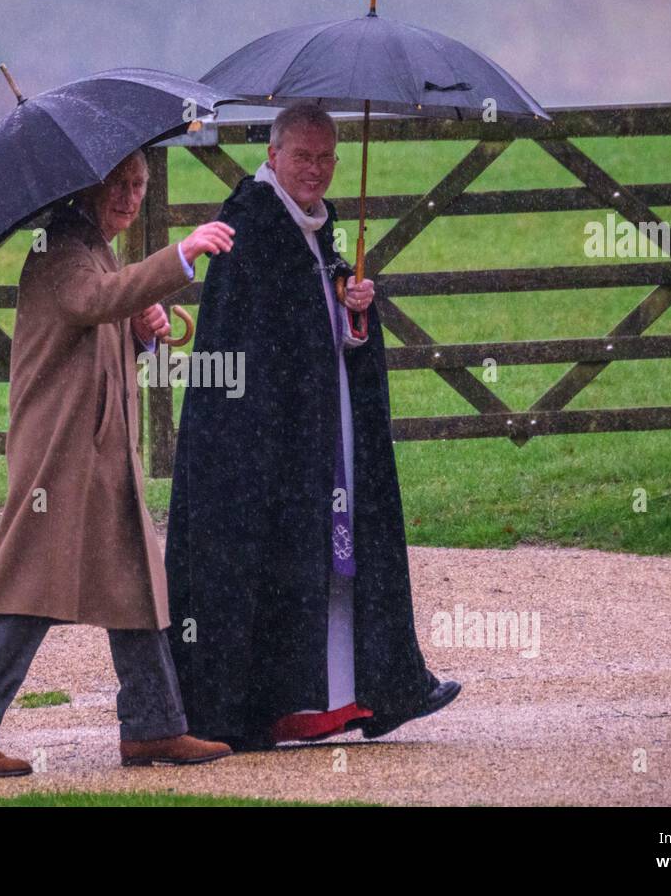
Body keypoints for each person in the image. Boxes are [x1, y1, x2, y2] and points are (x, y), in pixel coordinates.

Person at [0, 149, 236, 776]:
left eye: (139, 185)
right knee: (29, 587)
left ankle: (154, 728)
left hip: (101, 448)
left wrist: (143, 331)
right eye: (117, 184)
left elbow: (98, 327)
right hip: (60, 451)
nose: (129, 196)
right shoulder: (63, 245)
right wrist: (180, 257)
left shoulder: (94, 243)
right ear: (89, 186)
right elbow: (91, 302)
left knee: (136, 584)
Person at [165, 103, 461, 751]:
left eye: (327, 157)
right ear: (272, 155)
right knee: (289, 556)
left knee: (336, 558)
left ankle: (346, 695)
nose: (317, 170)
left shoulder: (315, 229)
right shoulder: (249, 225)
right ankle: (274, 704)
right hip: (265, 441)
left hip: (321, 433)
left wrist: (352, 310)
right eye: (303, 156)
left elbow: (319, 327)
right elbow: (246, 340)